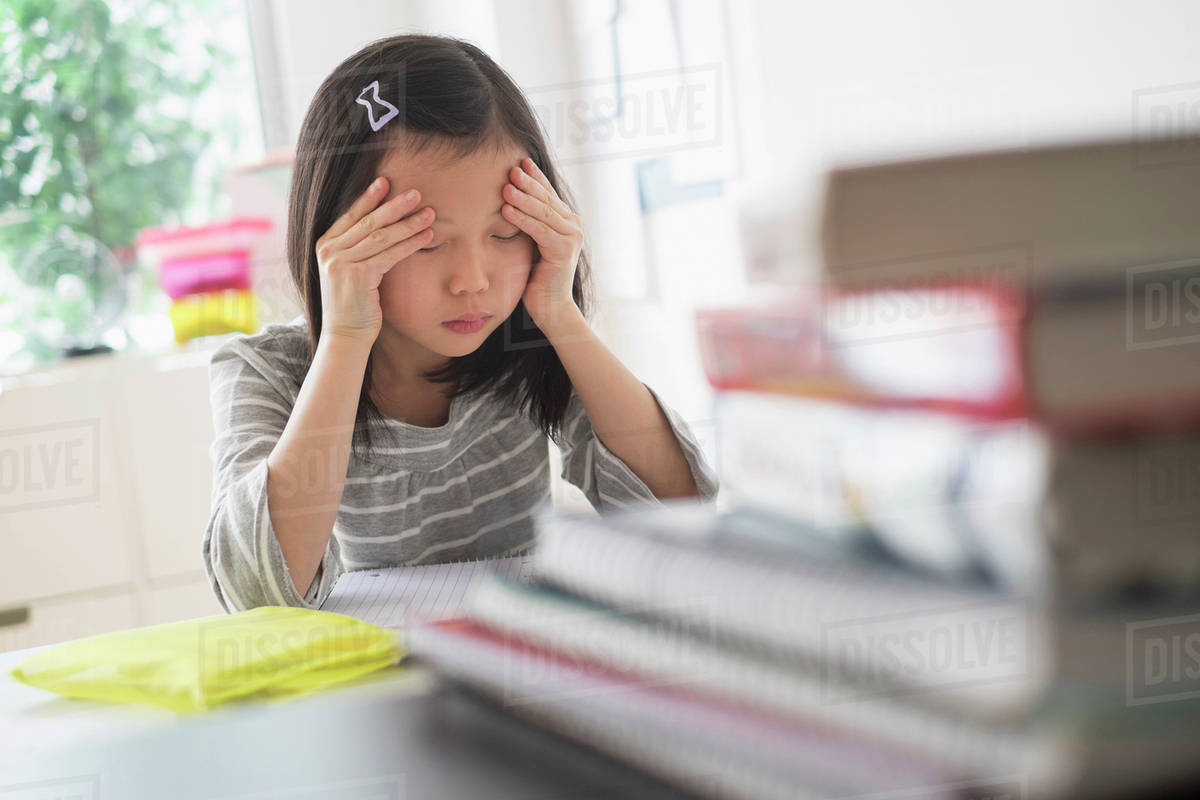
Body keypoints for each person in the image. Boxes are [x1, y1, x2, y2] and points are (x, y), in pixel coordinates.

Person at [202, 33, 719, 613]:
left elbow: (682, 510)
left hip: (522, 664)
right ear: (340, 240)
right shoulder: (267, 372)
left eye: (504, 234)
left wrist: (558, 312)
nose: (472, 280)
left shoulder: (528, 336)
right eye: (426, 243)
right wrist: (346, 338)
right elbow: (255, 593)